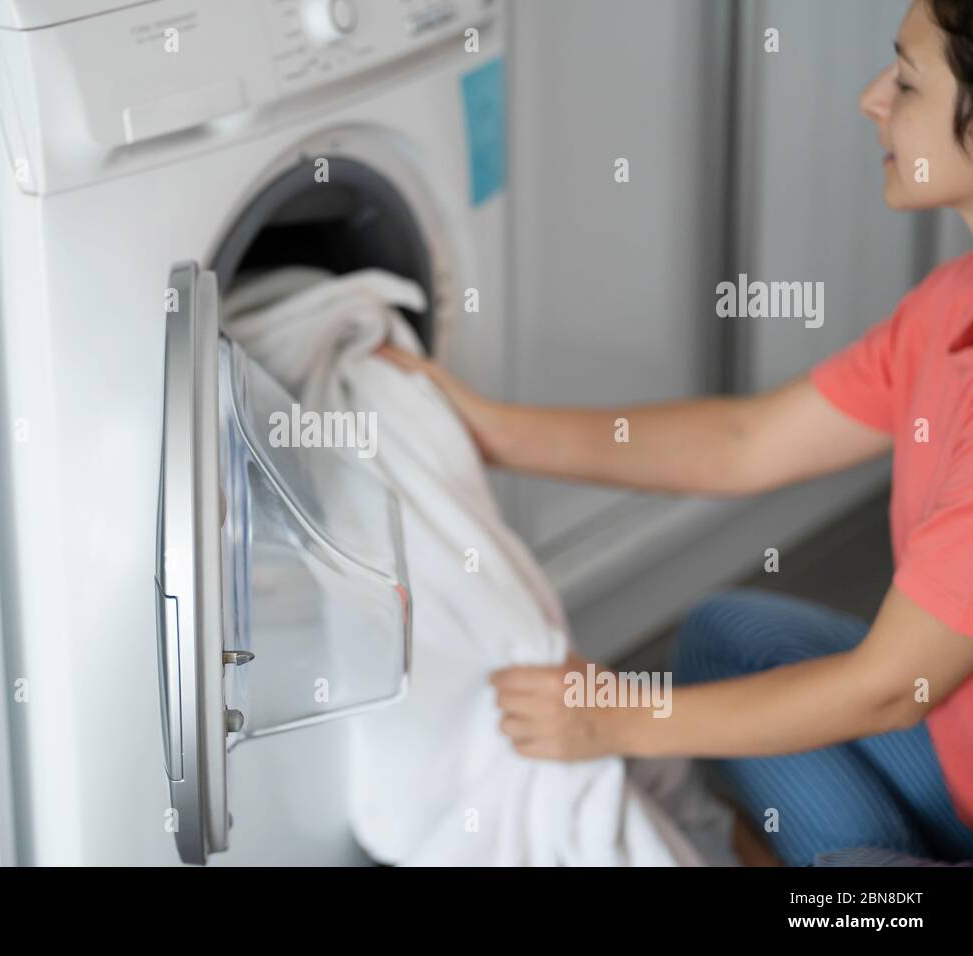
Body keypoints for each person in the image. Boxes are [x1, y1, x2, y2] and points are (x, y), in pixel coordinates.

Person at [378, 0, 973, 866]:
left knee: (854, 884)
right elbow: (745, 442)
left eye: (908, 82)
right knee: (726, 638)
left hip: (914, 708)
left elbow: (886, 693)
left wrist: (616, 720)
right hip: (951, 752)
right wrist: (487, 428)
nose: (871, 98)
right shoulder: (950, 305)